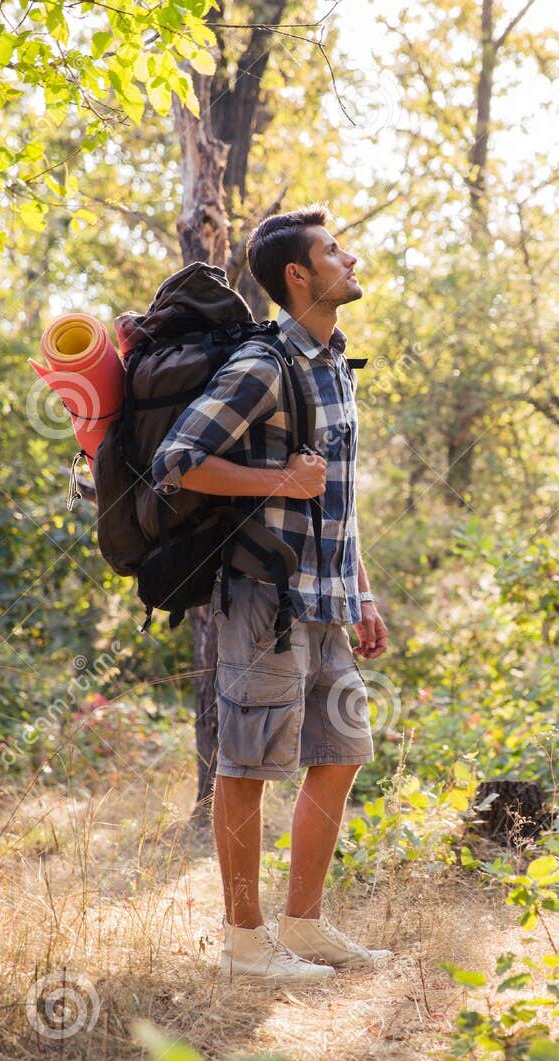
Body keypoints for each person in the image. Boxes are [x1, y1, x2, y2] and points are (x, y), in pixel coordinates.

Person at [151, 206, 391, 984]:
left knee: (342, 751)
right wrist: (278, 479)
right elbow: (176, 461)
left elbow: (339, 498)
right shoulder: (264, 364)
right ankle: (245, 940)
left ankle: (305, 924)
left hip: (328, 601)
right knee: (247, 762)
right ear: (300, 275)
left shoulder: (335, 362)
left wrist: (363, 590)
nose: (348, 258)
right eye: (333, 251)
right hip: (263, 599)